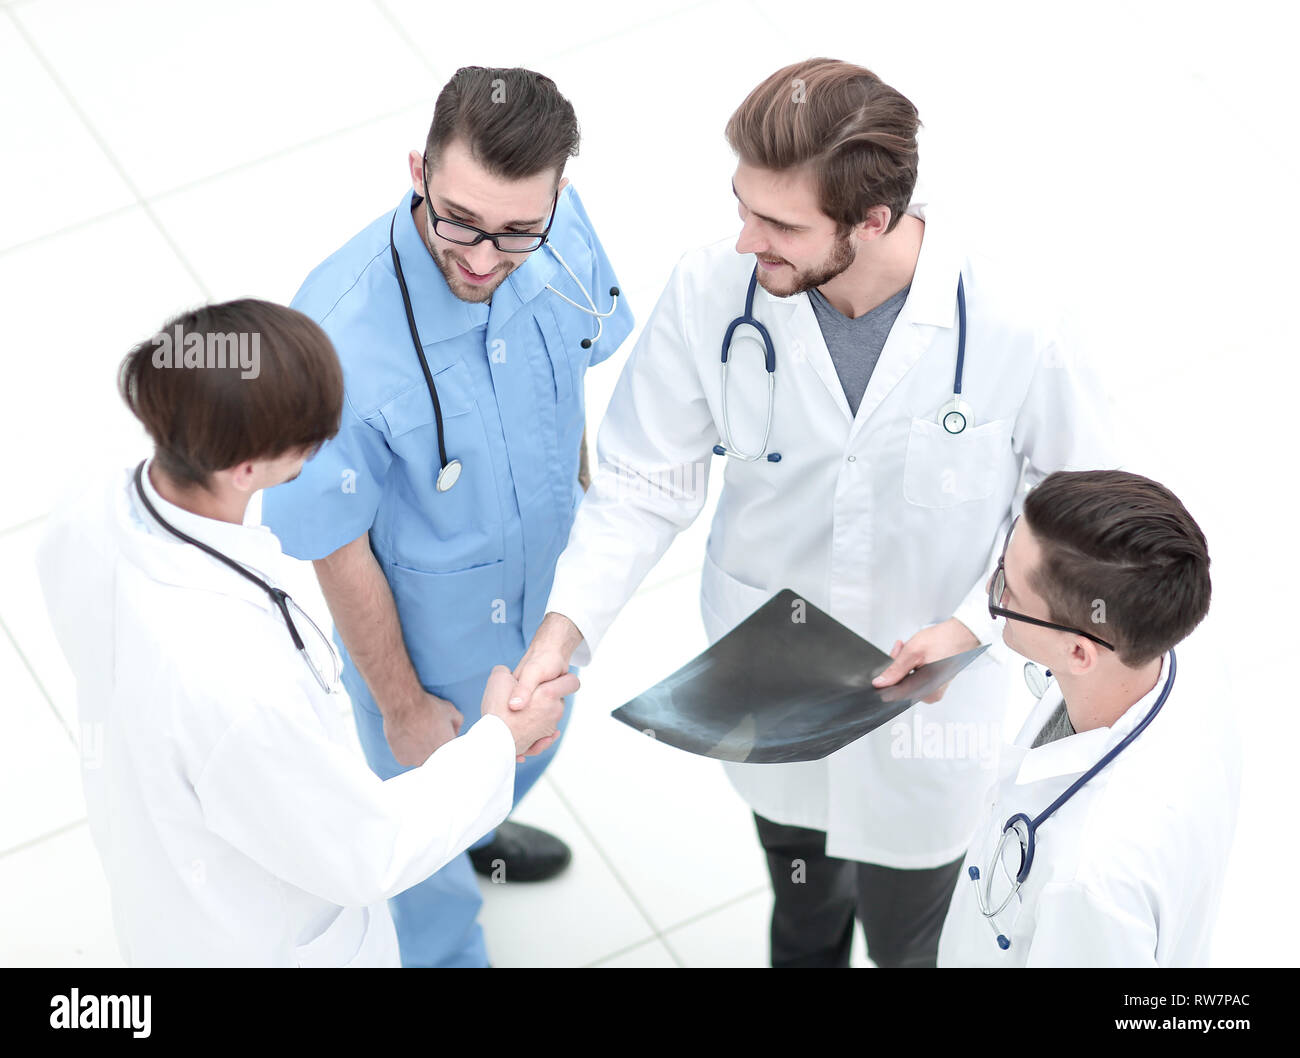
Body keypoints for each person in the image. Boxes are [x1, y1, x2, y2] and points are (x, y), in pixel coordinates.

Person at [512, 57, 1114, 968]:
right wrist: (564, 632)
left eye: (780, 223)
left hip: (935, 708)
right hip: (766, 677)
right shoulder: (714, 290)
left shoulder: (1013, 320)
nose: (747, 240)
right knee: (798, 902)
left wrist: (974, 624)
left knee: (913, 936)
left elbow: (1081, 511)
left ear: (873, 220)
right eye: (742, 206)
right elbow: (643, 480)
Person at [35, 300, 573, 967]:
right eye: (311, 441)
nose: (325, 445)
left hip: (168, 846)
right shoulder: (232, 685)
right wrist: (499, 740)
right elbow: (366, 851)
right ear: (245, 470)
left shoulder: (93, 504)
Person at [259, 66, 633, 967]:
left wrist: (580, 566)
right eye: (458, 220)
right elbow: (330, 538)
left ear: (558, 199)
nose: (478, 257)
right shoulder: (335, 333)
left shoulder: (563, 240)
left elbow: (577, 375)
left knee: (511, 769)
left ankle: (479, 836)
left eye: (515, 233)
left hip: (540, 609)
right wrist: (401, 706)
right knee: (418, 840)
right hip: (429, 650)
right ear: (418, 169)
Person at [938, 470, 1240, 966]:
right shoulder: (1177, 650)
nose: (994, 596)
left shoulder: (1088, 879)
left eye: (1006, 590)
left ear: (1079, 653)